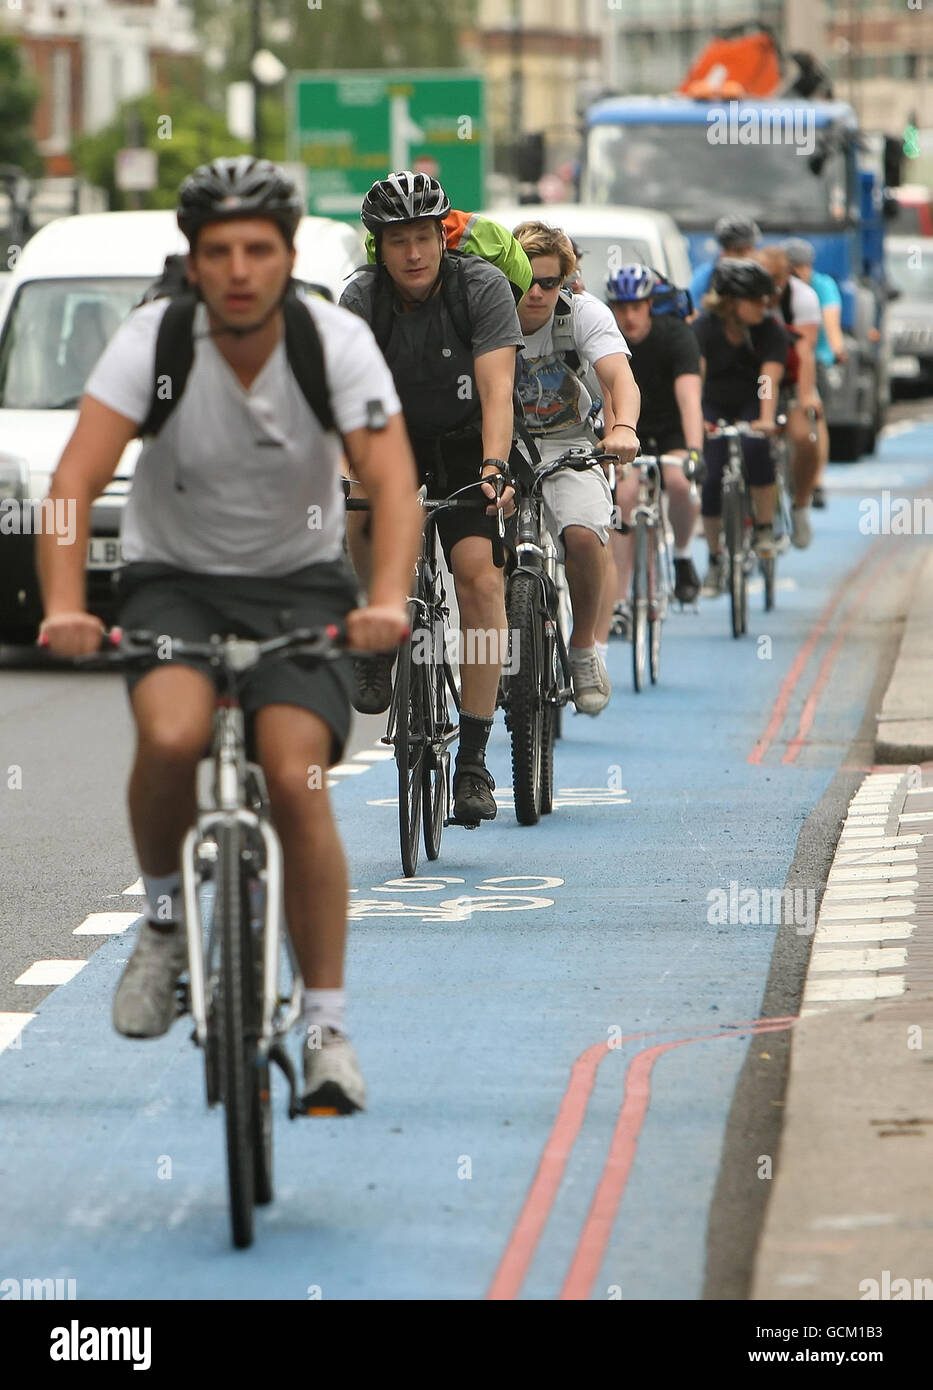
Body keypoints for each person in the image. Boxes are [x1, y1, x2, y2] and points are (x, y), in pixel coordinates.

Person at [35, 157, 422, 1116]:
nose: (240, 269)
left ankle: (327, 1028)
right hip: (176, 585)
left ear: (288, 257)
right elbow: (72, 485)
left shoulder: (331, 342)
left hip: (301, 586)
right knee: (170, 736)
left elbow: (393, 480)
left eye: (259, 250)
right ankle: (164, 920)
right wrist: (64, 606)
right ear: (195, 263)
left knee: (296, 780)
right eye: (219, 252)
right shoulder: (153, 340)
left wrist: (385, 598)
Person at [339, 171, 526, 824]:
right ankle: (380, 630)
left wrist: (496, 466)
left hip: (470, 440)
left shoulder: (481, 287)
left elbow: (498, 390)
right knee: (357, 505)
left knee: (478, 580)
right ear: (378, 248)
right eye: (398, 242)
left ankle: (472, 758)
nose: (412, 254)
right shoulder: (359, 299)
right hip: (391, 440)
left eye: (424, 238)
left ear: (443, 238)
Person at [512, 220, 640, 707]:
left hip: (570, 445)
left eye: (550, 282)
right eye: (526, 282)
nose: (538, 294)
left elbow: (620, 378)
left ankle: (584, 646)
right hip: (500, 447)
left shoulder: (584, 314)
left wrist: (623, 428)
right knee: (475, 552)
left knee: (585, 537)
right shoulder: (485, 311)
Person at [602, 264, 704, 638]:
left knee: (679, 483)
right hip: (630, 427)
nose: (628, 316)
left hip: (672, 424)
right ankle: (620, 602)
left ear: (649, 305)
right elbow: (608, 395)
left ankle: (682, 554)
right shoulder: (607, 337)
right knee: (624, 498)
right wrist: (614, 445)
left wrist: (694, 452)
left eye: (636, 306)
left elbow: (691, 399)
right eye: (620, 307)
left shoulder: (676, 336)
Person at [691, 258, 788, 596]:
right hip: (714, 402)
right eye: (756, 300)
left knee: (756, 446)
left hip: (751, 400)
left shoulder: (770, 330)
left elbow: (768, 377)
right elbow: (697, 380)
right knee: (712, 472)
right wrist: (697, 419)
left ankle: (763, 526)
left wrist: (765, 417)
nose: (764, 306)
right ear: (732, 303)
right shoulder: (703, 329)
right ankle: (716, 560)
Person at [753, 244, 823, 547]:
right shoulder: (742, 295)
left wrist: (807, 396)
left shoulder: (803, 298)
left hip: (792, 377)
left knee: (805, 437)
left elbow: (805, 351)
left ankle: (800, 505)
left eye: (773, 281)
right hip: (753, 377)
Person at [781, 237, 846, 508]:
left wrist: (836, 347)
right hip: (780, 360)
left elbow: (830, 320)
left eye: (805, 266)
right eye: (796, 267)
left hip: (813, 359)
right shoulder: (779, 288)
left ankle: (816, 480)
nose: (801, 272)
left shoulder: (822, 286)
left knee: (814, 415)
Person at [689, 214, 761, 309]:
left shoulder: (763, 274)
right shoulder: (706, 277)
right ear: (724, 253)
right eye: (739, 251)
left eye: (750, 249)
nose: (747, 257)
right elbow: (692, 314)